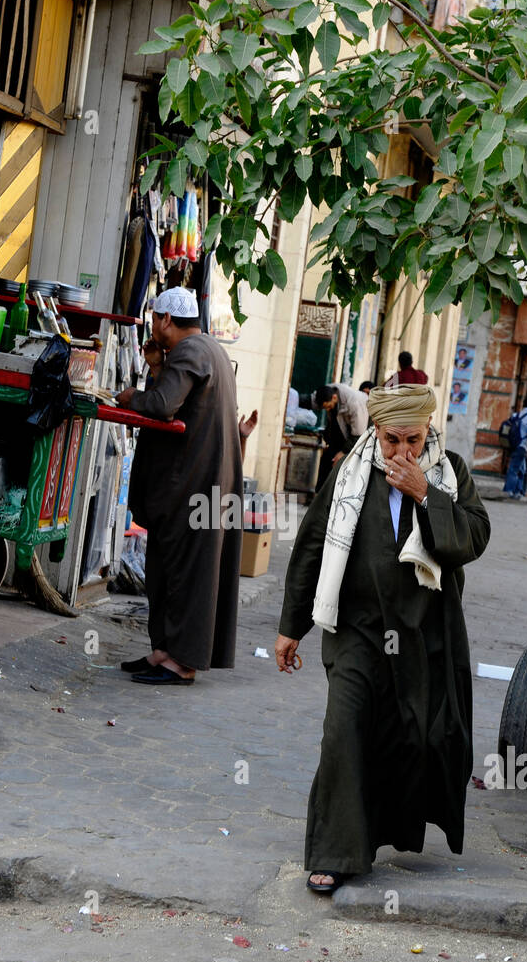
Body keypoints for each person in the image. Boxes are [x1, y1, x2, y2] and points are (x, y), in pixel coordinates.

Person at [274, 383, 490, 892]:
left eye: (413, 440)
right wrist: (291, 627)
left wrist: (424, 494)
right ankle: (333, 853)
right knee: (343, 729)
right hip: (358, 631)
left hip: (424, 634)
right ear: (375, 431)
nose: (403, 453)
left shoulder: (449, 472)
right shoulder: (350, 473)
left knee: (413, 736)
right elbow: (311, 545)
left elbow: (474, 537)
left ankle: (374, 833)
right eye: (392, 440)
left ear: (428, 431)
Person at [116, 287, 243, 685]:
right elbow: (176, 397)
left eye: (155, 320)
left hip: (195, 483)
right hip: (202, 481)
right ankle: (164, 651)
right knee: (166, 568)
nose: (153, 328)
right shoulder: (208, 350)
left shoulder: (191, 352)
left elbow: (160, 405)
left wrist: (130, 395)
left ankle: (182, 663)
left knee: (187, 572)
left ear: (166, 320)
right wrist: (157, 368)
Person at [314, 383, 370, 489]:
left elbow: (358, 435)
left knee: (342, 465)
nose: (327, 410)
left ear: (334, 397)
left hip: (359, 438)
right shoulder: (329, 391)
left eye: (328, 406)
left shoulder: (354, 403)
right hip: (344, 436)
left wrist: (343, 452)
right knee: (326, 459)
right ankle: (319, 496)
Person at [502, 396, 527, 498]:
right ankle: (510, 490)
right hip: (523, 445)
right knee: (515, 469)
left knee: (521, 468)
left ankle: (518, 491)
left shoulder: (516, 415)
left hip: (513, 444)